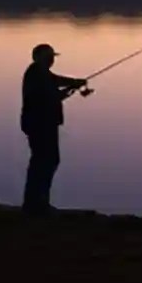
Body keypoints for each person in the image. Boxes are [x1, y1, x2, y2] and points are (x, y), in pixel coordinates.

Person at [21, 43, 86, 215]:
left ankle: (37, 202)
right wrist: (72, 87)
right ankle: (36, 204)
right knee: (45, 161)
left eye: (52, 57)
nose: (51, 60)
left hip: (43, 123)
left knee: (44, 161)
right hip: (40, 124)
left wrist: (74, 83)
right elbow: (52, 95)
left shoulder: (41, 73)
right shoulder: (36, 74)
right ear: (39, 57)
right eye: (49, 56)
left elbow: (56, 81)